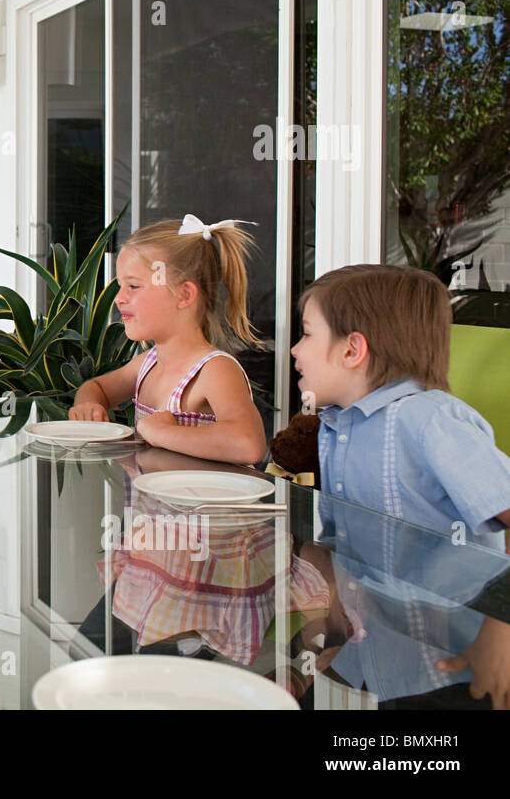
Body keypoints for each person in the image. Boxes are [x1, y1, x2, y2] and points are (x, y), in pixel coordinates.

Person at [291, 263, 510, 706]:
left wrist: (500, 630)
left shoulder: (431, 421)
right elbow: (346, 547)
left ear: (353, 349)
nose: (295, 350)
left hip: (462, 667)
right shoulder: (336, 429)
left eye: (307, 334)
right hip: (387, 660)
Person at [67, 215, 268, 465]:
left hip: (200, 504)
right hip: (151, 501)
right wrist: (89, 404)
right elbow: (96, 388)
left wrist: (161, 432)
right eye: (120, 286)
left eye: (133, 286)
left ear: (184, 295)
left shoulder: (214, 371)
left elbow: (248, 445)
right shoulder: (147, 364)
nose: (119, 298)